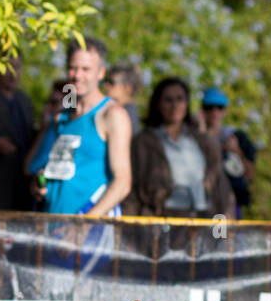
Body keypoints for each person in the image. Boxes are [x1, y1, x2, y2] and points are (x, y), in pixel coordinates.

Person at [25, 38, 131, 216]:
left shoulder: (112, 115)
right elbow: (35, 169)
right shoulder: (61, 118)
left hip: (89, 234)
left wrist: (85, 224)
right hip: (51, 227)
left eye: (86, 69)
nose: (77, 75)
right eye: (73, 68)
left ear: (101, 73)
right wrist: (39, 185)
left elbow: (123, 183)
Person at [125, 77, 235, 218]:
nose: (175, 105)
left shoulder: (205, 142)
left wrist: (223, 234)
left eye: (180, 99)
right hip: (160, 224)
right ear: (158, 104)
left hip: (202, 222)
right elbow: (132, 192)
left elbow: (222, 192)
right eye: (168, 100)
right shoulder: (142, 143)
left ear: (186, 103)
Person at [197, 86, 257, 215]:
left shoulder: (238, 138)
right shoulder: (192, 138)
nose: (215, 112)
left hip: (230, 206)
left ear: (225, 110)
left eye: (219, 107)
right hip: (201, 205)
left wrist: (237, 151)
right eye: (209, 107)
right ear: (202, 110)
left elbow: (250, 175)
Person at [0, 57, 36, 210]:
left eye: (17, 67)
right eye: (8, 67)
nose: (13, 73)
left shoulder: (25, 100)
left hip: (23, 184)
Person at [104, 63, 141, 134]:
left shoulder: (127, 114)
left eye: (111, 82)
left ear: (128, 88)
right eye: (106, 81)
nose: (106, 85)